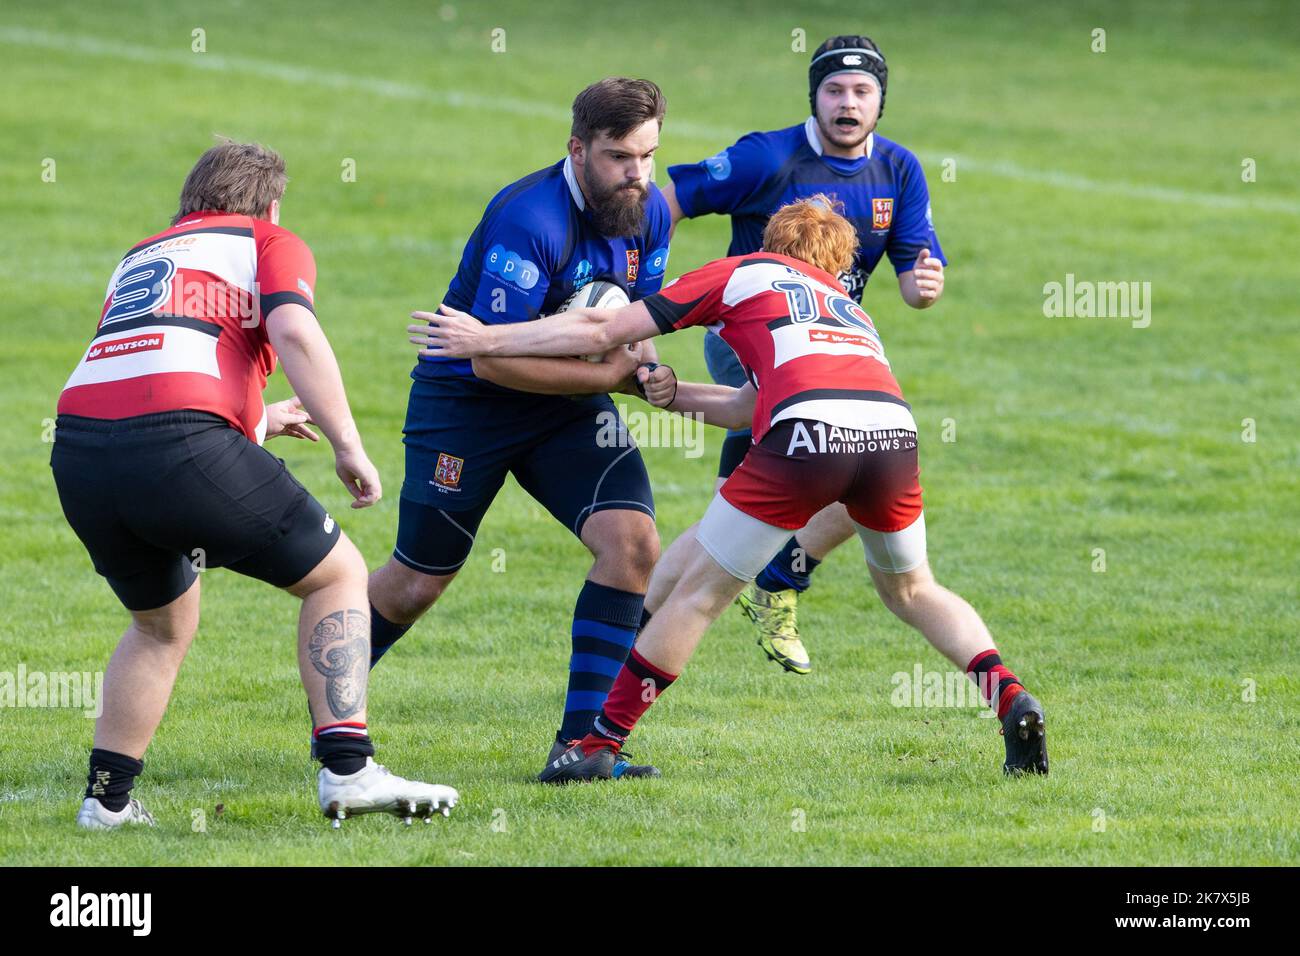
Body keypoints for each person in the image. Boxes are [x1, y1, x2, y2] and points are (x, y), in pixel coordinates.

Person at [412, 196, 1047, 781]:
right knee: (914, 589)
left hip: (806, 435)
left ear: (773, 241)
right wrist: (672, 395)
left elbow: (604, 332)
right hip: (892, 436)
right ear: (836, 262)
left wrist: (485, 338)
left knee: (696, 594)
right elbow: (749, 406)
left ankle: (599, 746)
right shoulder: (848, 307)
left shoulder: (741, 271)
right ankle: (1008, 693)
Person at [52, 140, 458, 829]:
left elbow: (153, 358)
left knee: (159, 625)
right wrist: (348, 444)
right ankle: (349, 769)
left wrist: (255, 419)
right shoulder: (268, 238)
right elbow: (294, 333)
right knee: (339, 575)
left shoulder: (141, 255)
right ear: (270, 205)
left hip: (81, 455)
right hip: (178, 442)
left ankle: (106, 802)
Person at [366, 78, 673, 780]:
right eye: (620, 157)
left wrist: (649, 369)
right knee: (418, 582)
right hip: (467, 409)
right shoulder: (528, 220)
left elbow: (637, 319)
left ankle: (583, 750)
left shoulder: (646, 214)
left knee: (631, 546)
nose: (636, 175)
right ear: (577, 147)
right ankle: (334, 700)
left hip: (565, 410)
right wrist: (613, 377)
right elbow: (493, 365)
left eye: (648, 157)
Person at [657, 34, 948, 674]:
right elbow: (669, 200)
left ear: (881, 100)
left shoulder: (899, 170)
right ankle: (683, 604)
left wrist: (924, 289)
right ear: (813, 97)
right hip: (745, 339)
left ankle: (770, 577)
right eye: (834, 91)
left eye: (862, 92)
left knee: (861, 468)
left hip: (825, 346)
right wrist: (644, 276)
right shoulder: (766, 156)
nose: (847, 104)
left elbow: (912, 275)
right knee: (791, 455)